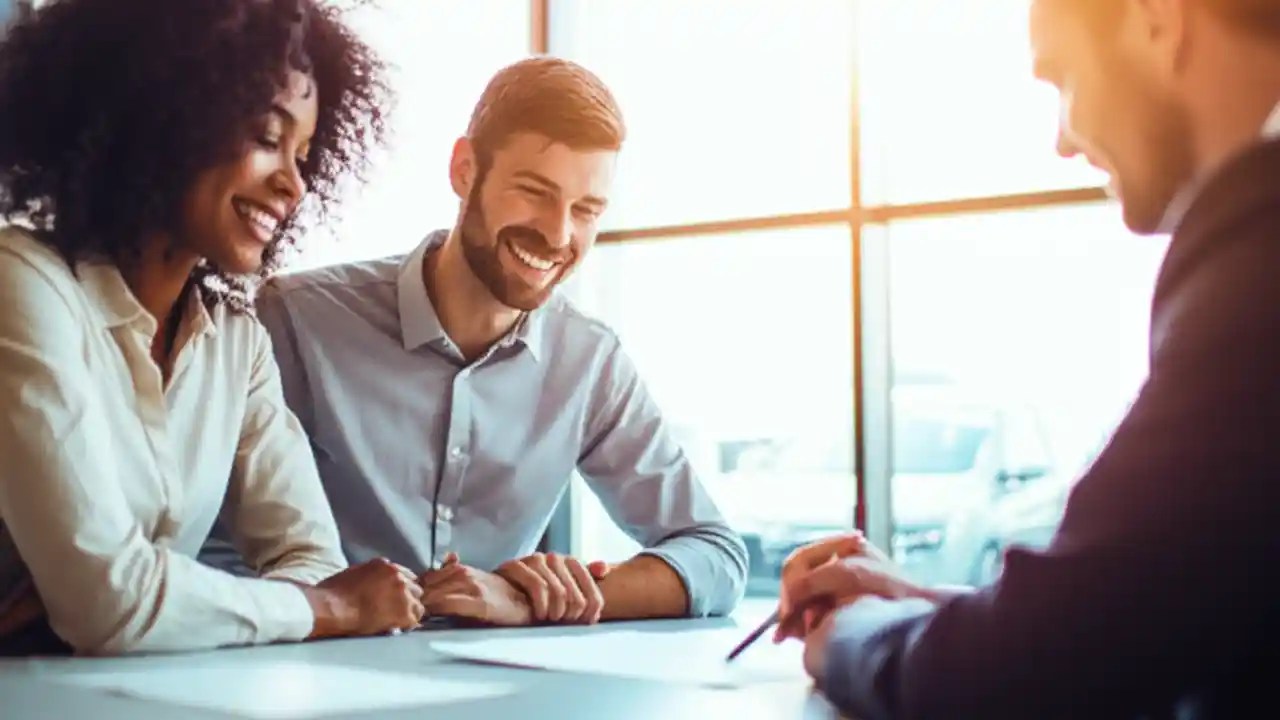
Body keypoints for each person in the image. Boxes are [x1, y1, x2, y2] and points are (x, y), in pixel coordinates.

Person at [774, 1, 1280, 717]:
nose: (1064, 140)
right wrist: (929, 605)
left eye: (1064, 78)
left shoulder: (1261, 269)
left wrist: (851, 634)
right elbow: (1161, 617)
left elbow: (1037, 672)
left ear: (1159, 19)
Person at [241, 56, 748, 626]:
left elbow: (716, 556)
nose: (558, 234)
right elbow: (209, 553)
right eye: (534, 192)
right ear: (464, 170)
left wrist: (539, 598)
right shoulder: (296, 321)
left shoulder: (589, 363)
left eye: (585, 210)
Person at [0, 0, 425, 656]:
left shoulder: (235, 344)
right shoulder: (22, 284)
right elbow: (109, 603)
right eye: (266, 137)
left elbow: (312, 558)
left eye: (305, 154)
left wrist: (157, 600)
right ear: (164, 119)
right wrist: (324, 608)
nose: (294, 185)